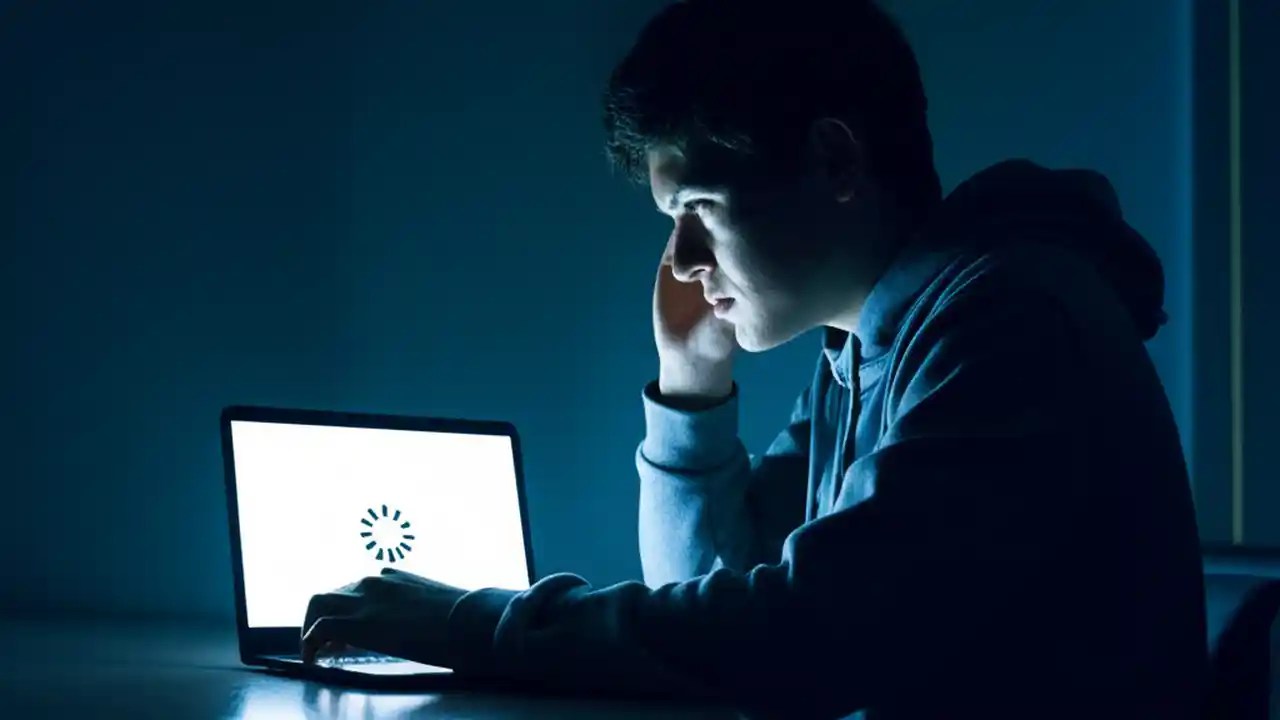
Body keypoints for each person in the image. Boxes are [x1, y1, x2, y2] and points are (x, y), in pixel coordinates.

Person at [299, 1, 1209, 717]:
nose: (685, 261)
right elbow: (710, 594)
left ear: (833, 159)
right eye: (671, 223)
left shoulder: (1012, 321)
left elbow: (806, 639)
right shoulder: (866, 348)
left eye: (699, 204)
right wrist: (692, 387)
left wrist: (472, 624)